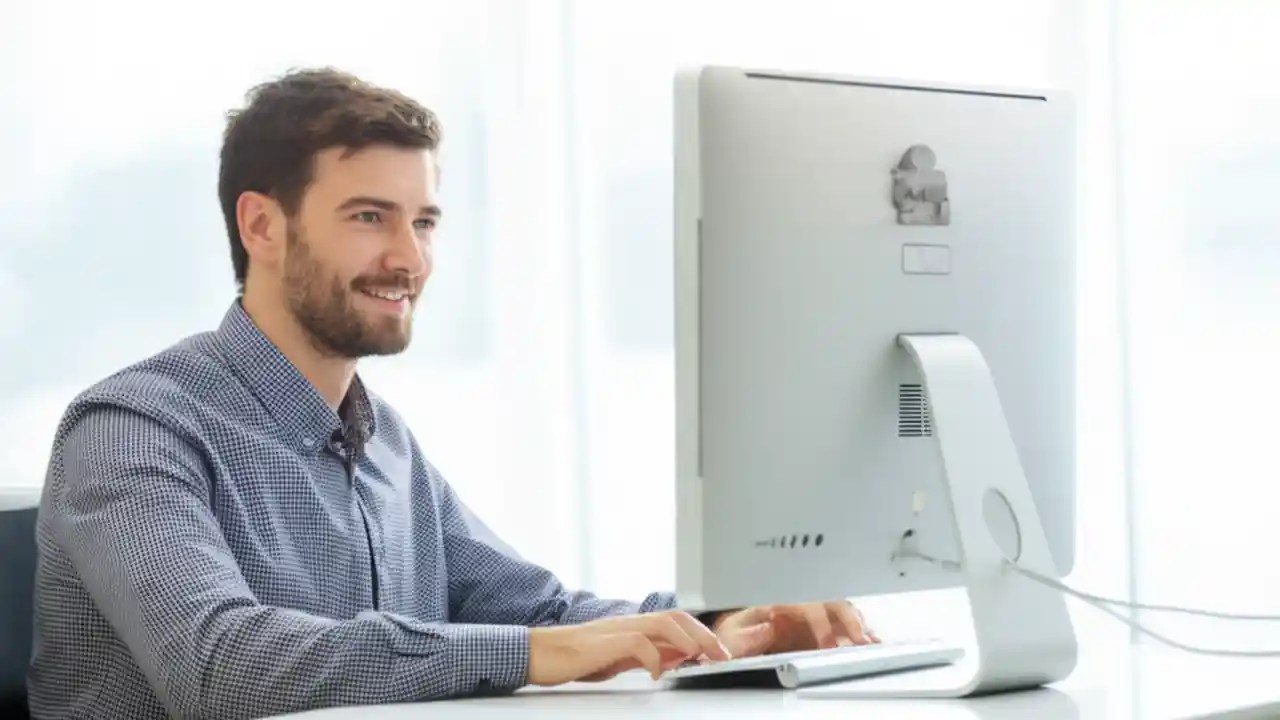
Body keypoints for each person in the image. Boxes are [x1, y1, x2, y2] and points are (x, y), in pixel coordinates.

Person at [27, 68, 876, 720]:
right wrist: (535, 653)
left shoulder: (382, 440)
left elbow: (539, 610)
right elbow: (219, 663)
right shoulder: (133, 430)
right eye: (369, 217)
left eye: (423, 221)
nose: (411, 259)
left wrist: (723, 625)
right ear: (262, 226)